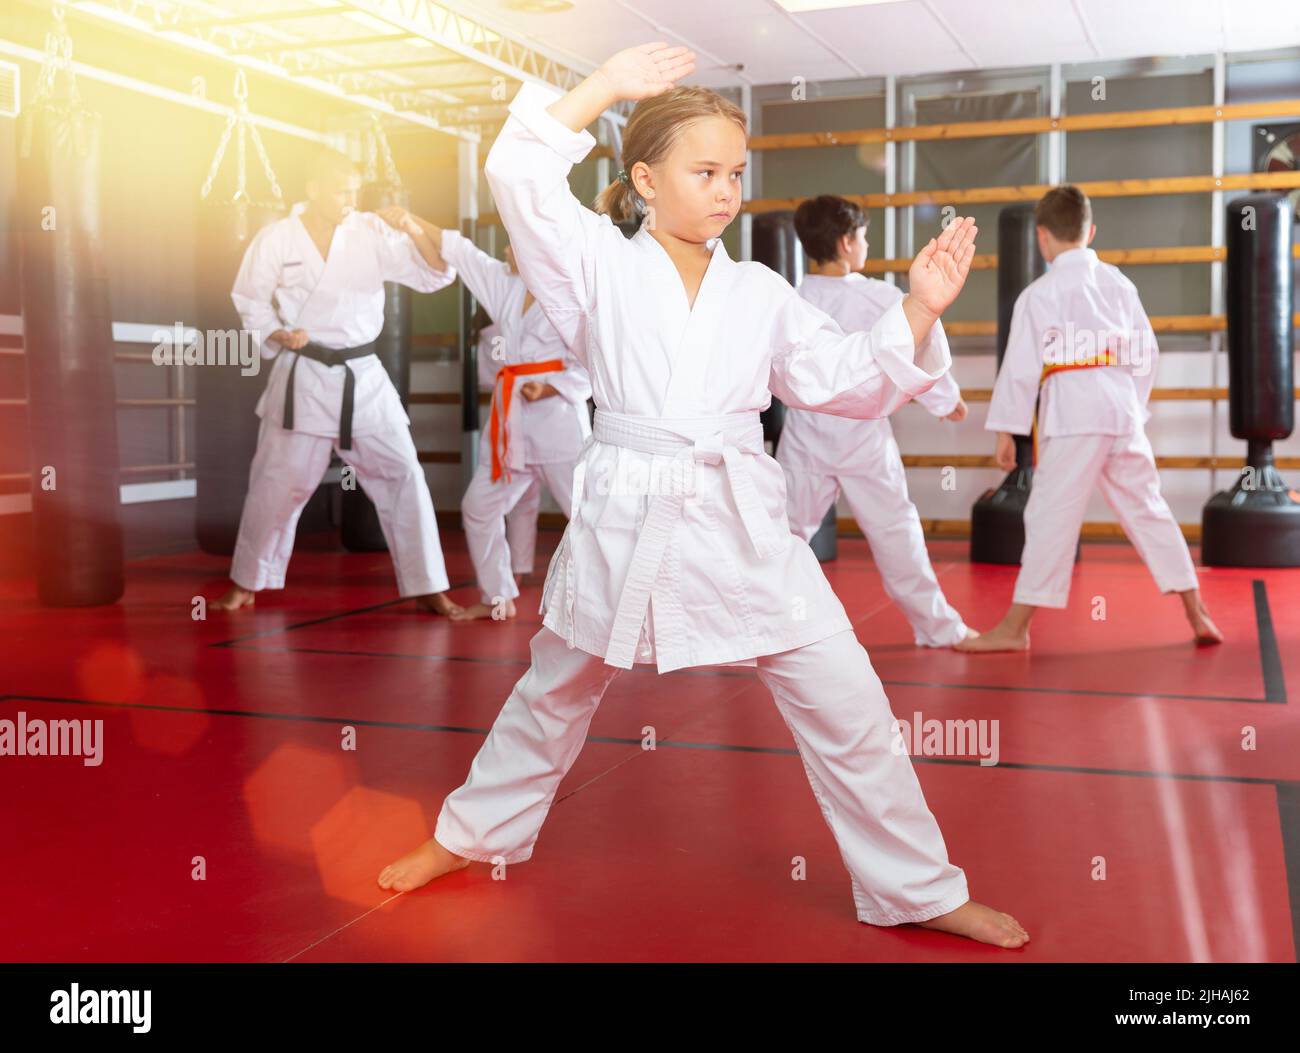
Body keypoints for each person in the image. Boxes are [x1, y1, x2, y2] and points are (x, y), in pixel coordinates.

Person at [380, 43, 1028, 949]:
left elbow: (838, 380)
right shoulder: (594, 263)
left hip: (741, 516)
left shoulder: (757, 290)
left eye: (737, 173)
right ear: (644, 178)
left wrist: (918, 308)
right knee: (554, 691)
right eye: (705, 171)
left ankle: (917, 887)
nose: (727, 190)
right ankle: (470, 834)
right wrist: (605, 86)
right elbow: (518, 169)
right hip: (626, 503)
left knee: (849, 701)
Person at [957, 184, 1223, 652]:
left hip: (1074, 412)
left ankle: (1015, 629)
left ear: (1042, 237)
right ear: (1090, 231)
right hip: (1120, 407)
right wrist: (1133, 405)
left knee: (1048, 518)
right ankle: (1195, 608)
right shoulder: (1119, 283)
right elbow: (1147, 352)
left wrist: (1007, 433)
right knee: (1149, 508)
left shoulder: (1038, 294)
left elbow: (1020, 368)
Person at [210, 148, 462, 616]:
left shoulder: (371, 232)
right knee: (274, 484)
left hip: (362, 379)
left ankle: (431, 587)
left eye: (355, 190)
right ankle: (246, 582)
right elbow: (250, 299)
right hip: (301, 375)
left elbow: (434, 274)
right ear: (314, 190)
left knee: (405, 476)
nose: (351, 198)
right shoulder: (277, 237)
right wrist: (275, 334)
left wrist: (410, 226)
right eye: (341, 190)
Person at [779, 194, 976, 647]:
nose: (865, 244)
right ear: (848, 242)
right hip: (863, 439)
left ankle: (747, 628)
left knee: (784, 538)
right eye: (864, 236)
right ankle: (939, 629)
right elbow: (918, 335)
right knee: (896, 533)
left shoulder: (792, 298)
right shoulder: (880, 295)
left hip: (805, 438)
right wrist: (945, 400)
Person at [430, 228, 593, 621]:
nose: (505, 248)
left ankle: (623, 601)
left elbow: (596, 361)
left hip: (559, 428)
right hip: (511, 425)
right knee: (479, 506)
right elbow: (463, 253)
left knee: (590, 514)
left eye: (513, 242)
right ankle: (497, 596)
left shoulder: (573, 295)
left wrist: (552, 387)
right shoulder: (506, 284)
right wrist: (410, 222)